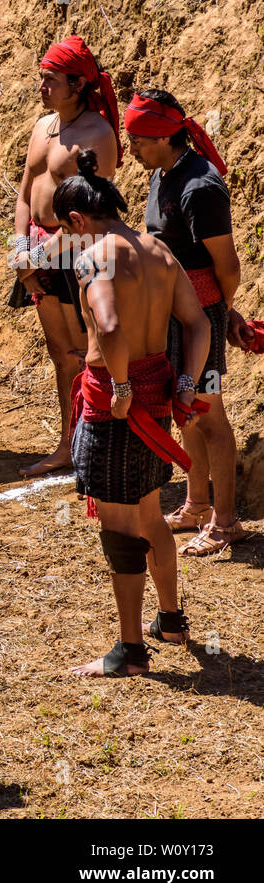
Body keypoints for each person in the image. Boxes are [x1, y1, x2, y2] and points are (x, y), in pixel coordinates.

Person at [61, 151, 210, 678]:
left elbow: (107, 323)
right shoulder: (160, 251)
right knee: (149, 513)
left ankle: (129, 650)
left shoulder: (95, 256)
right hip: (154, 399)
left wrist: (120, 384)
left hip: (118, 408)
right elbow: (197, 325)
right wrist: (187, 384)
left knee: (122, 529)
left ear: (78, 221)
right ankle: (170, 620)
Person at [126, 89, 244, 555]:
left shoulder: (200, 188)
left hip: (198, 317)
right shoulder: (164, 173)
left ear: (162, 136)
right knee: (186, 411)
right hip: (171, 313)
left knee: (209, 416)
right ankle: (196, 504)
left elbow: (227, 265)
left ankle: (227, 521)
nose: (130, 147)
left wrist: (220, 311)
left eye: (137, 138)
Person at [10, 36, 120, 477]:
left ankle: (91, 443)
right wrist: (20, 251)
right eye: (42, 78)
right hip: (38, 248)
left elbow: (93, 217)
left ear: (77, 85)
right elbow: (24, 191)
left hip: (78, 250)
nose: (42, 86)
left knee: (86, 352)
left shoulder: (97, 135)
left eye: (51, 80)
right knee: (61, 353)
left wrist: (37, 255)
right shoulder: (43, 126)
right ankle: (67, 443)